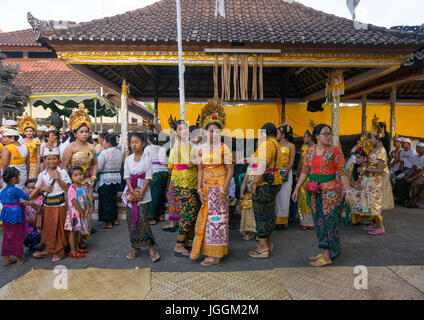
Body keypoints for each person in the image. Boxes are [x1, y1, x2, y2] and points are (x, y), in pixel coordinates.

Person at [292, 124, 353, 267]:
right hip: (314, 191)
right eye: (325, 134)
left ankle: (327, 256)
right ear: (317, 136)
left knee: (329, 222)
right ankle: (324, 251)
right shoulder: (310, 151)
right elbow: (305, 171)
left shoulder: (335, 151)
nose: (328, 137)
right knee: (319, 221)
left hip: (331, 192)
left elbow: (342, 172)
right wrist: (297, 188)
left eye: (329, 134)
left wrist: (348, 191)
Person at [191, 98, 234, 266]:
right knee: (207, 220)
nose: (213, 133)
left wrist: (224, 190)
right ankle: (208, 251)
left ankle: (216, 254)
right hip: (207, 189)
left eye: (217, 130)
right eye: (210, 130)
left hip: (220, 188)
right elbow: (200, 170)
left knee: (218, 220)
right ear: (205, 131)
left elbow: (230, 170)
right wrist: (199, 188)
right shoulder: (200, 149)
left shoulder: (225, 148)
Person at [62, 105, 98, 248]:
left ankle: (82, 237)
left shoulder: (91, 147)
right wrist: (68, 182)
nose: (85, 134)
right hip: (73, 185)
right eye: (81, 131)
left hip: (86, 183)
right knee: (74, 210)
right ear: (75, 133)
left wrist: (93, 178)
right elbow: (64, 166)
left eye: (86, 131)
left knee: (86, 209)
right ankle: (73, 239)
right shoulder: (70, 147)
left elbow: (95, 164)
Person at [122, 133, 160, 263]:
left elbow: (148, 176)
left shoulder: (147, 159)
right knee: (131, 221)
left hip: (144, 193)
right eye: (132, 142)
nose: (134, 144)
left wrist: (141, 193)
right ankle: (136, 248)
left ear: (143, 143)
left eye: (137, 142)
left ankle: (150, 247)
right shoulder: (128, 159)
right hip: (130, 194)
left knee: (143, 220)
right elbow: (127, 176)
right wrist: (132, 192)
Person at [248, 123, 284, 259]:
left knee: (261, 213)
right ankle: (269, 243)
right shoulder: (276, 144)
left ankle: (262, 248)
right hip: (274, 180)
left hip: (264, 182)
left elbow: (262, 164)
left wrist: (255, 183)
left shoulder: (266, 144)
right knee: (269, 213)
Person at [31, 147, 71, 262]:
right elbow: (38, 190)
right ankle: (49, 249)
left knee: (58, 228)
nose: (51, 161)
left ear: (58, 159)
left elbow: (68, 188)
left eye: (54, 159)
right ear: (45, 159)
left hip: (59, 205)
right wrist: (44, 188)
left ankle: (59, 251)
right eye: (49, 159)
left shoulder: (62, 172)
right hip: (47, 205)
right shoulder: (42, 174)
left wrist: (58, 180)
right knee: (48, 228)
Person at [166, 120, 199, 258]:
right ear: (175, 132)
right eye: (180, 129)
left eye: (186, 129)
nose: (184, 131)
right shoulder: (183, 145)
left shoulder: (178, 145)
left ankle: (185, 241)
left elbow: (170, 165)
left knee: (188, 211)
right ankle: (179, 244)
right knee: (188, 212)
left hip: (181, 180)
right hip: (185, 182)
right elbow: (190, 164)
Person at [360, 116, 393, 235]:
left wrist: (365, 168)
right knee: (369, 202)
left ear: (378, 139)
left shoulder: (381, 151)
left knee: (375, 204)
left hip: (375, 181)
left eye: (371, 137)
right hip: (369, 180)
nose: (369, 139)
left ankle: (381, 227)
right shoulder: (374, 149)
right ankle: (374, 224)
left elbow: (380, 169)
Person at [0, 167, 32, 266]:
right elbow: (28, 197)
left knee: (7, 236)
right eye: (18, 176)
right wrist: (39, 189)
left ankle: (6, 259)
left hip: (6, 214)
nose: (20, 178)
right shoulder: (15, 190)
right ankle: (19, 258)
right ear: (13, 179)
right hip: (15, 215)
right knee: (17, 235)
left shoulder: (3, 191)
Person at [97, 134, 123, 229]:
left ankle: (108, 222)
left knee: (105, 201)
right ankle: (114, 219)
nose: (103, 143)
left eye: (104, 141)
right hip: (116, 178)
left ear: (108, 143)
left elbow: (99, 167)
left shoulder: (104, 153)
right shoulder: (119, 152)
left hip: (106, 178)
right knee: (113, 199)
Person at [143, 133, 169, 225]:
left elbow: (145, 162)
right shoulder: (162, 148)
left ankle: (152, 218)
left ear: (149, 140)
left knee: (153, 195)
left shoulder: (147, 148)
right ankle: (161, 215)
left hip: (154, 173)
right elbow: (166, 161)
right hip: (164, 172)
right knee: (161, 194)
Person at [64, 166, 90, 258]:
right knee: (72, 232)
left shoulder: (84, 187)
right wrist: (81, 211)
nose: (79, 177)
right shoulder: (72, 188)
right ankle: (73, 251)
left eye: (80, 174)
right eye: (76, 175)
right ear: (71, 177)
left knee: (77, 232)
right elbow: (74, 201)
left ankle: (77, 248)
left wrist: (87, 209)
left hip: (81, 212)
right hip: (74, 214)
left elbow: (86, 199)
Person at [348, 137, 374, 225]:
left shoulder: (369, 167)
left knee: (366, 195)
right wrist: (356, 186)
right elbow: (349, 180)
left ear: (365, 158)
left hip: (366, 187)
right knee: (355, 194)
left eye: (359, 158)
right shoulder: (353, 166)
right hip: (354, 186)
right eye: (356, 157)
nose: (356, 160)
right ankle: (357, 219)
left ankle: (367, 218)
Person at [275, 123, 296, 229]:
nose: (276, 134)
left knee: (285, 196)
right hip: (276, 173)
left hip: (287, 173)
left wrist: (284, 175)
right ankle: (276, 220)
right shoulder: (275, 144)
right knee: (277, 196)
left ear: (283, 134)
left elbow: (291, 162)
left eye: (278, 132)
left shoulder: (291, 146)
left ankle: (283, 221)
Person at [295, 128, 316, 230]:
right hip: (303, 177)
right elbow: (300, 163)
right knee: (303, 198)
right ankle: (304, 222)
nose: (303, 138)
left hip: (313, 177)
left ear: (310, 137)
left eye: (305, 136)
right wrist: (298, 175)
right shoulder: (304, 148)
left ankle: (312, 222)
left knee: (312, 199)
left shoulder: (317, 149)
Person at [393, 138, 417, 204]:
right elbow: (401, 162)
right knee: (391, 177)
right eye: (402, 143)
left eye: (404, 143)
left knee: (399, 179)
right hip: (403, 169)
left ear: (408, 144)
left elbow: (414, 165)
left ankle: (400, 198)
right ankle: (394, 196)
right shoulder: (402, 152)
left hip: (409, 170)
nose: (402, 144)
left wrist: (409, 173)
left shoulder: (412, 152)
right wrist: (398, 171)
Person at [18, 114, 41, 179]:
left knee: (32, 180)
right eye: (27, 131)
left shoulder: (36, 142)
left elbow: (38, 154)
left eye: (30, 131)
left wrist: (38, 164)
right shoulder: (21, 142)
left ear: (33, 132)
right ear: (24, 132)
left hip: (33, 164)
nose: (29, 133)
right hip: (24, 164)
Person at [239, 164, 257, 241]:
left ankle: (258, 231)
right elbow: (244, 182)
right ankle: (249, 230)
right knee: (245, 204)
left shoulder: (263, 167)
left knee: (254, 206)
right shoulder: (250, 167)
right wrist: (241, 193)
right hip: (249, 193)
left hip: (259, 194)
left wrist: (253, 195)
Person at [405, 142, 424, 208]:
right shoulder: (416, 156)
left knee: (415, 183)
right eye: (417, 147)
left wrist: (412, 178)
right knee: (404, 180)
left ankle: (412, 200)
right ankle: (403, 198)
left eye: (419, 148)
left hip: (422, 174)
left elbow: (422, 171)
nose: (417, 149)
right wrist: (408, 175)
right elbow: (414, 167)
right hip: (417, 172)